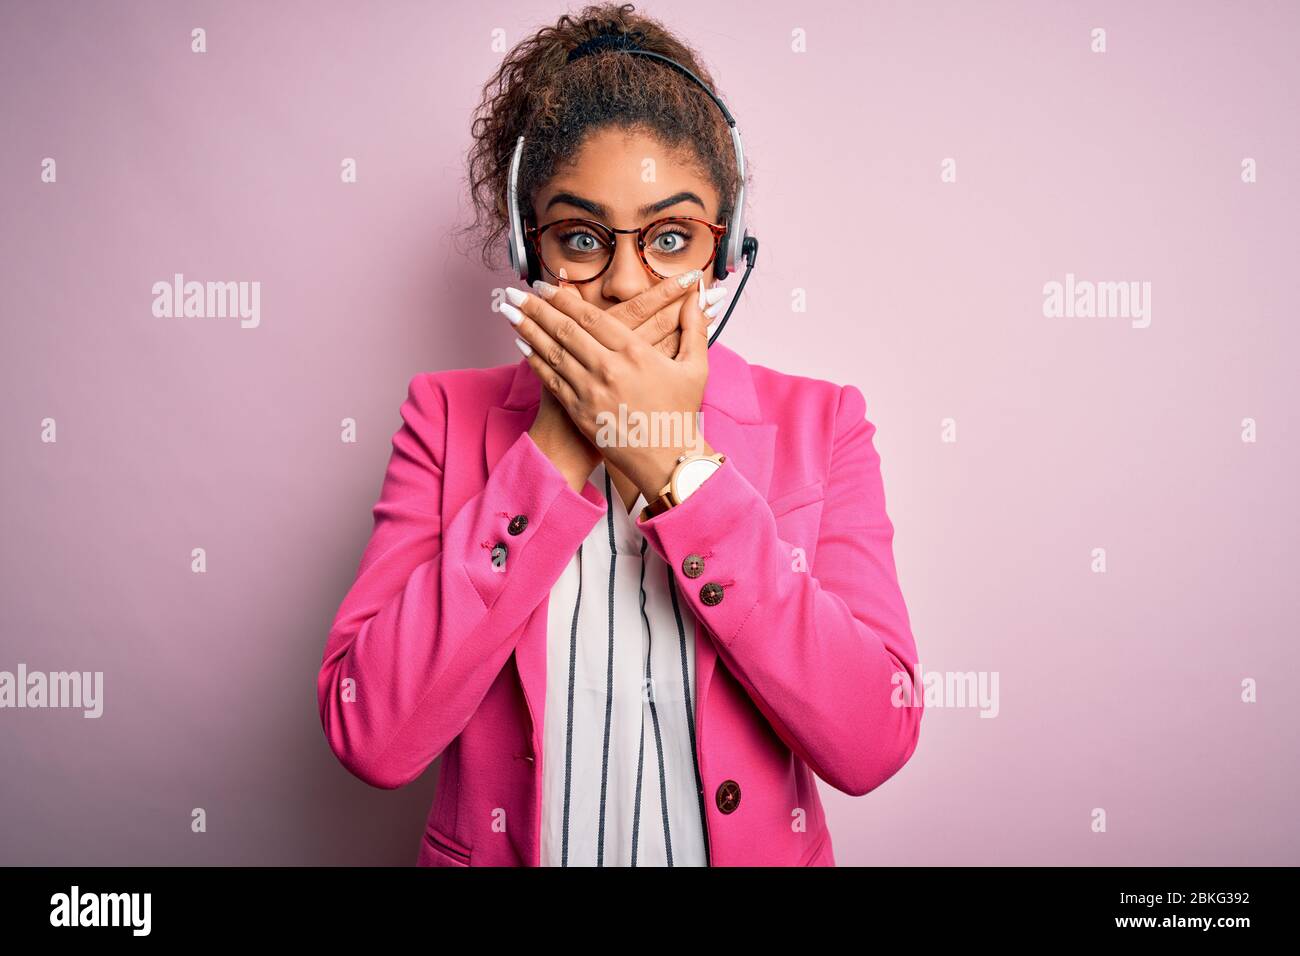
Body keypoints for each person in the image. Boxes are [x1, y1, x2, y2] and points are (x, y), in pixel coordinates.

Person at [317, 2, 922, 867]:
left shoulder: (823, 427)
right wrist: (557, 450)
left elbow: (872, 742)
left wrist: (674, 465)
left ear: (725, 251)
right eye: (582, 238)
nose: (625, 281)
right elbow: (371, 734)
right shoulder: (443, 419)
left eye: (671, 237)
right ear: (532, 253)